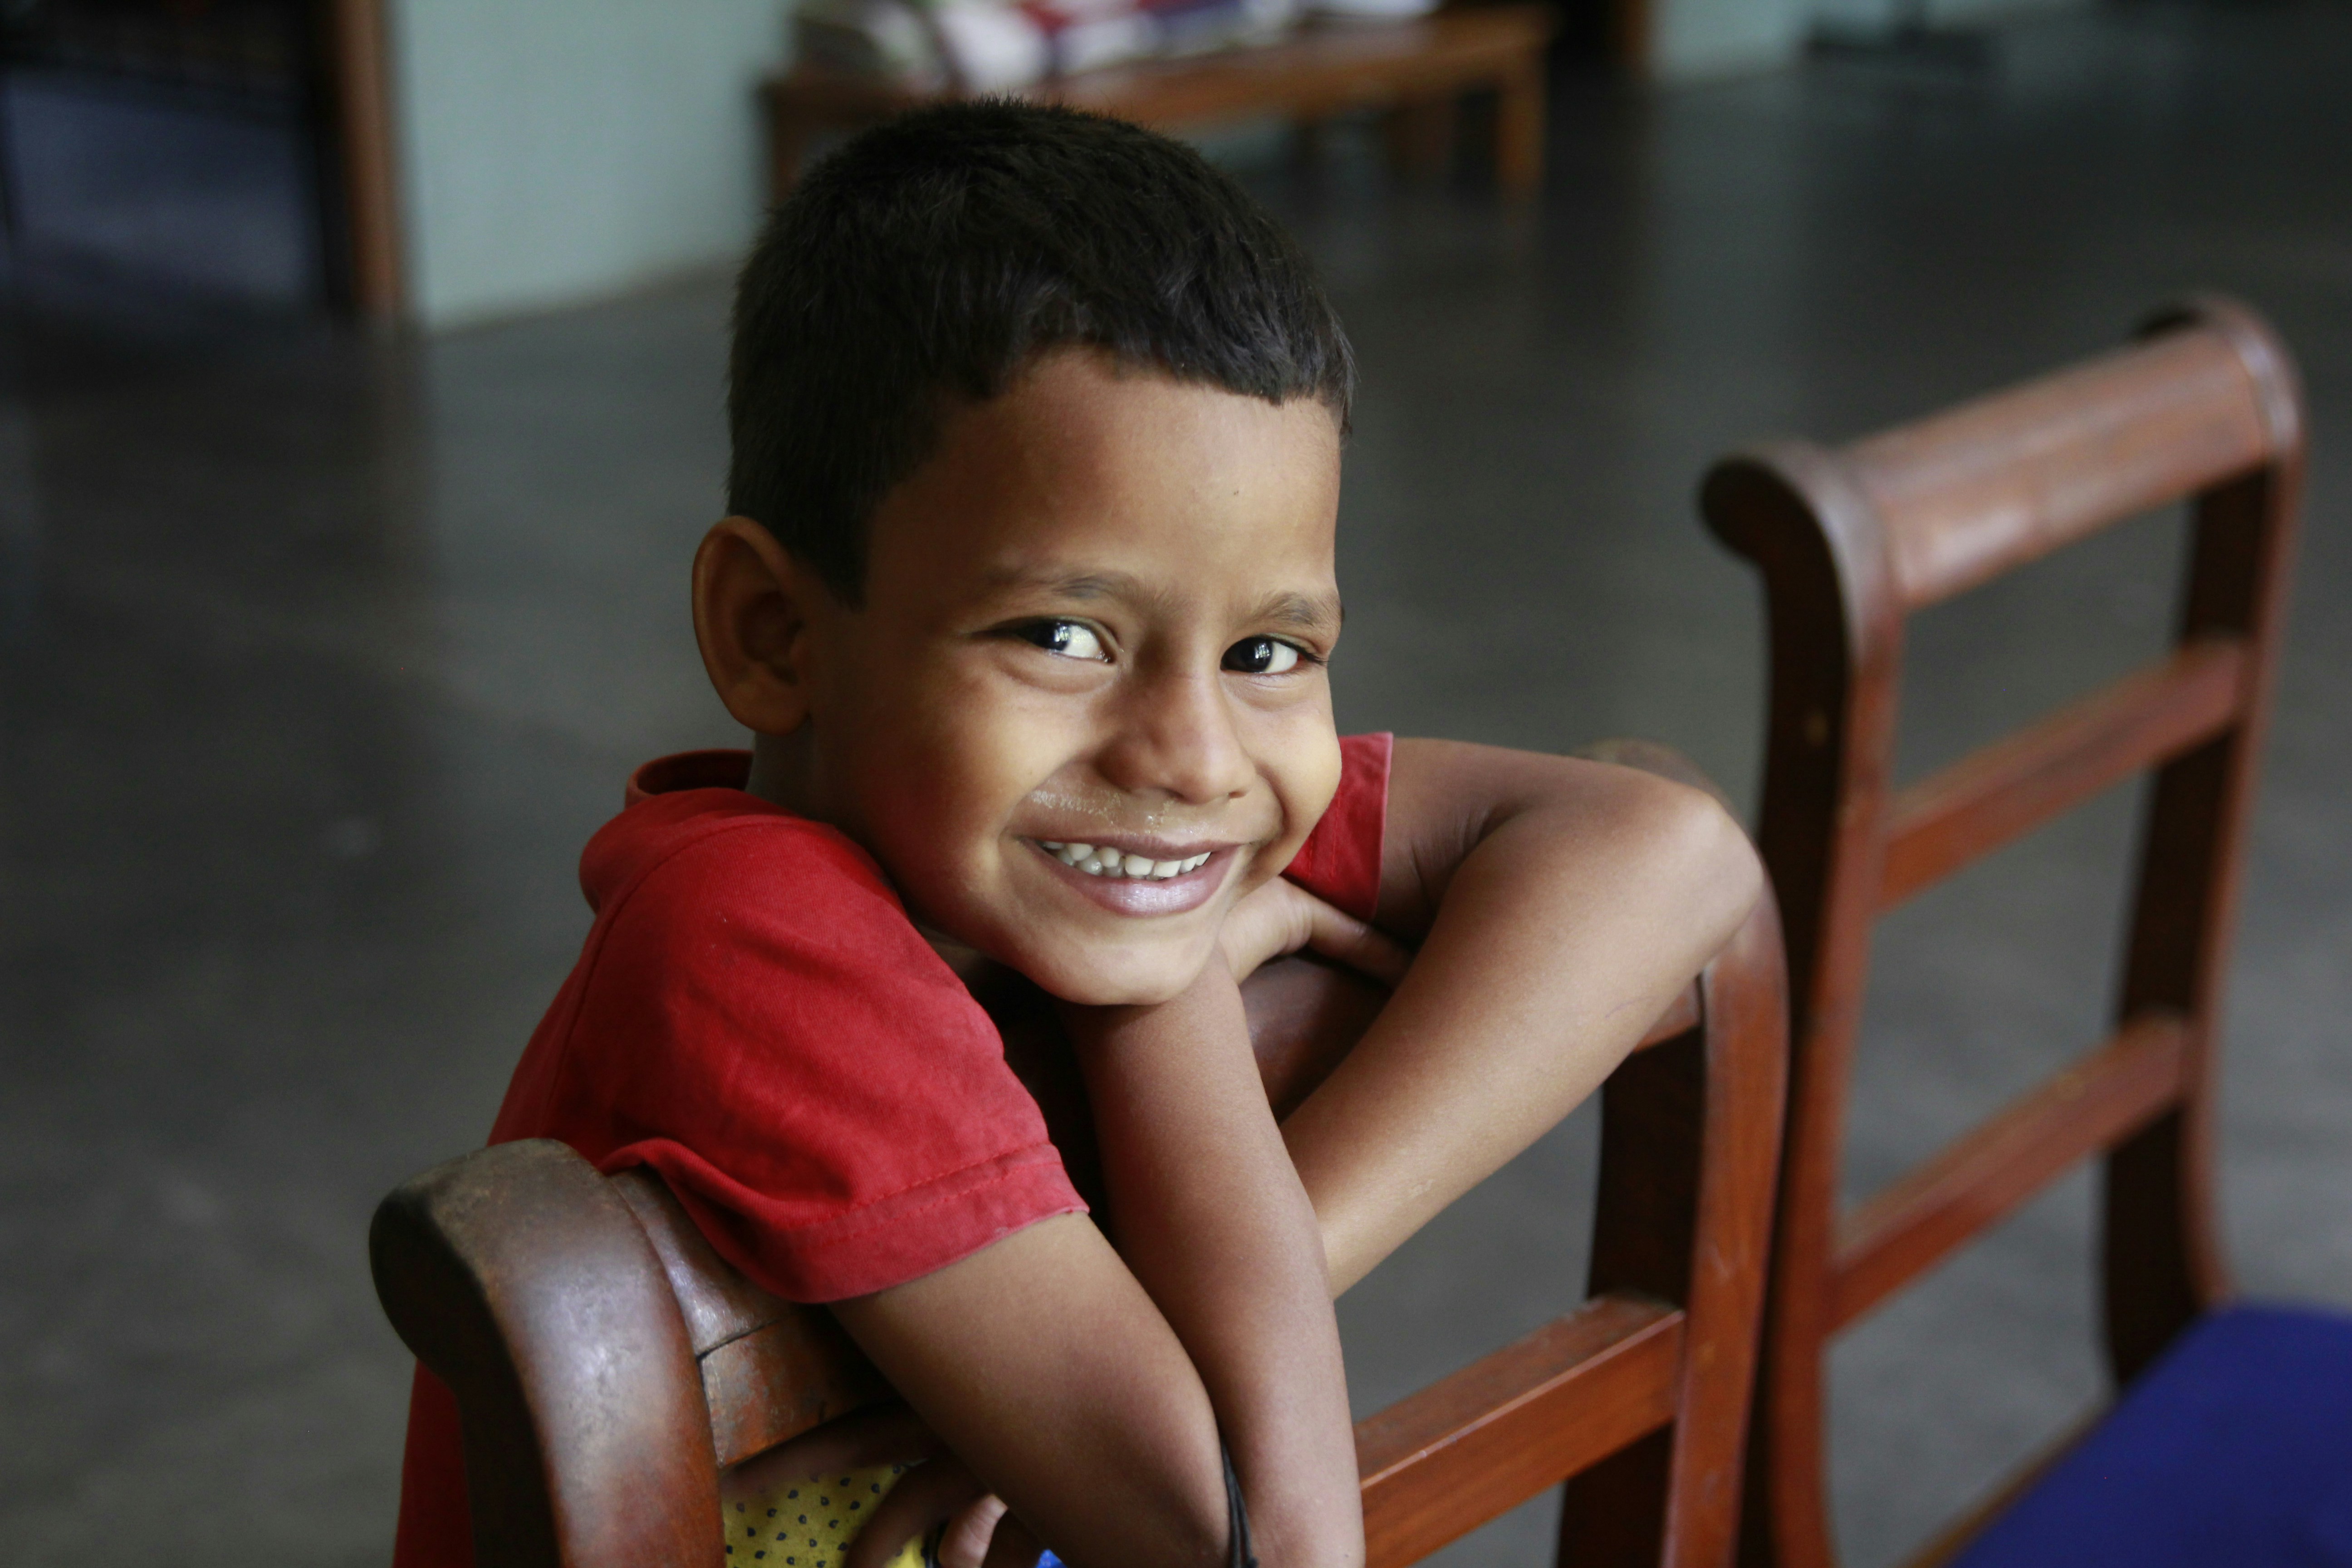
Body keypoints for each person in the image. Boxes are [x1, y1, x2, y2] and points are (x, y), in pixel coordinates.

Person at [392, 100, 1761, 1568]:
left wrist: (1248, 1258)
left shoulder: (1074, 822)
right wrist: (1170, 991)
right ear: (774, 630)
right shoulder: (749, 923)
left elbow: (1673, 855)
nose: (1188, 761)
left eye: (1269, 652)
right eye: (1062, 633)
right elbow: (1262, 1542)